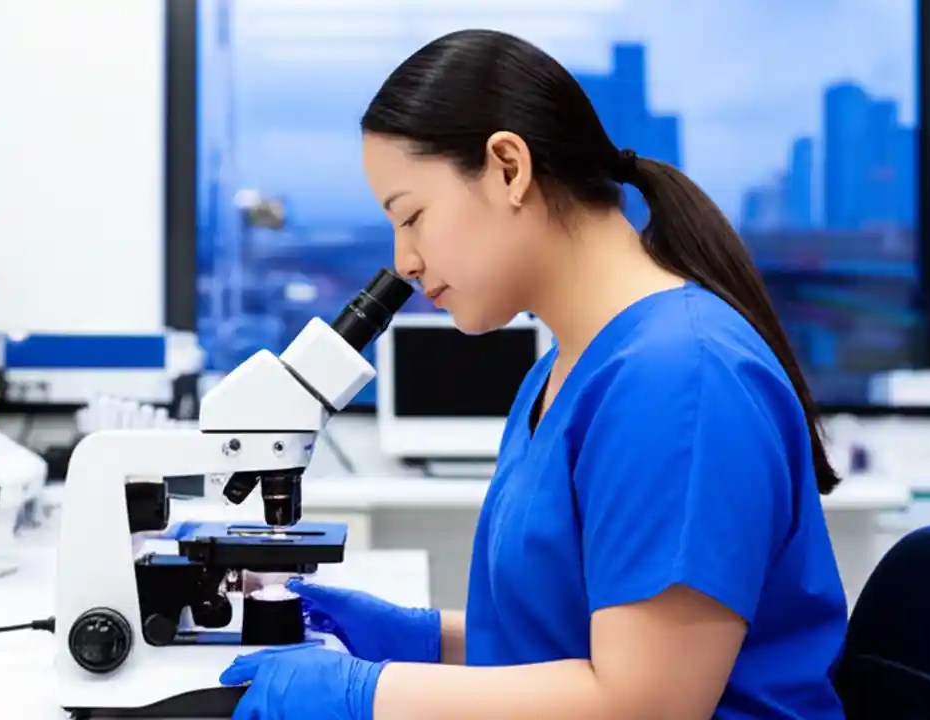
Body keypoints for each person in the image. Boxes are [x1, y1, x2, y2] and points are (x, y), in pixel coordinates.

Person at [219, 29, 849, 720]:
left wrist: (365, 692)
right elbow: (561, 650)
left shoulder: (681, 379)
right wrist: (422, 640)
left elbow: (646, 705)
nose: (404, 260)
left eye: (413, 216)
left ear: (508, 168)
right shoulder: (562, 372)